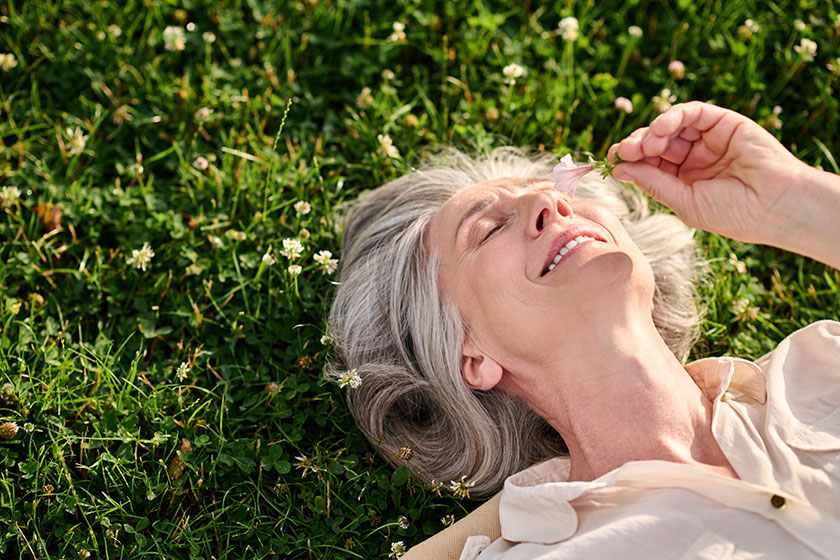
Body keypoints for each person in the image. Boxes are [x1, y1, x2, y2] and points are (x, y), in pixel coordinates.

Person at [326, 102, 840, 559]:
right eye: (487, 229)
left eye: (554, 188)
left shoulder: (820, 365)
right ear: (470, 357)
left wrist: (793, 202)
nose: (552, 205)